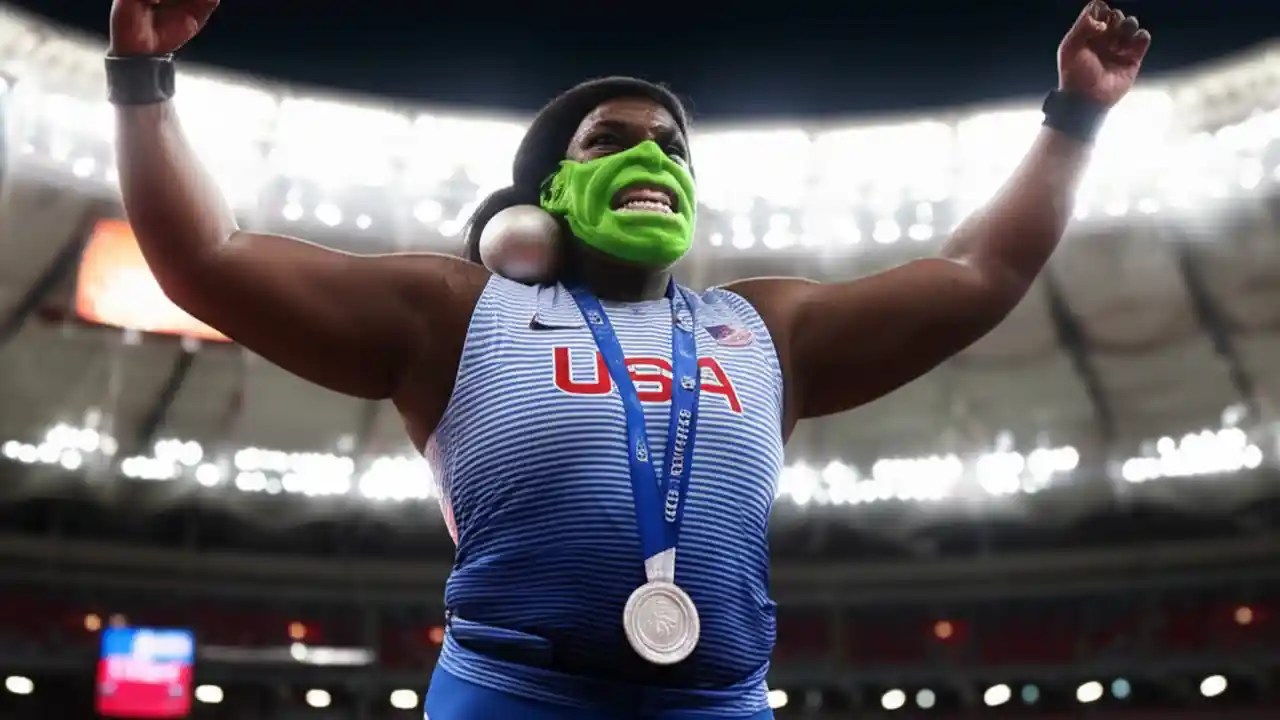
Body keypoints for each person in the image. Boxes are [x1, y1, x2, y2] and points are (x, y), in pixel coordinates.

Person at [105, 1, 1151, 717]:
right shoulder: (455, 311)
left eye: (671, 146)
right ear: (549, 193)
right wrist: (142, 76)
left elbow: (978, 272)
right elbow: (208, 260)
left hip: (719, 703)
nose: (652, 153)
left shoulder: (766, 329)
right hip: (510, 699)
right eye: (610, 140)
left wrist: (1075, 114)